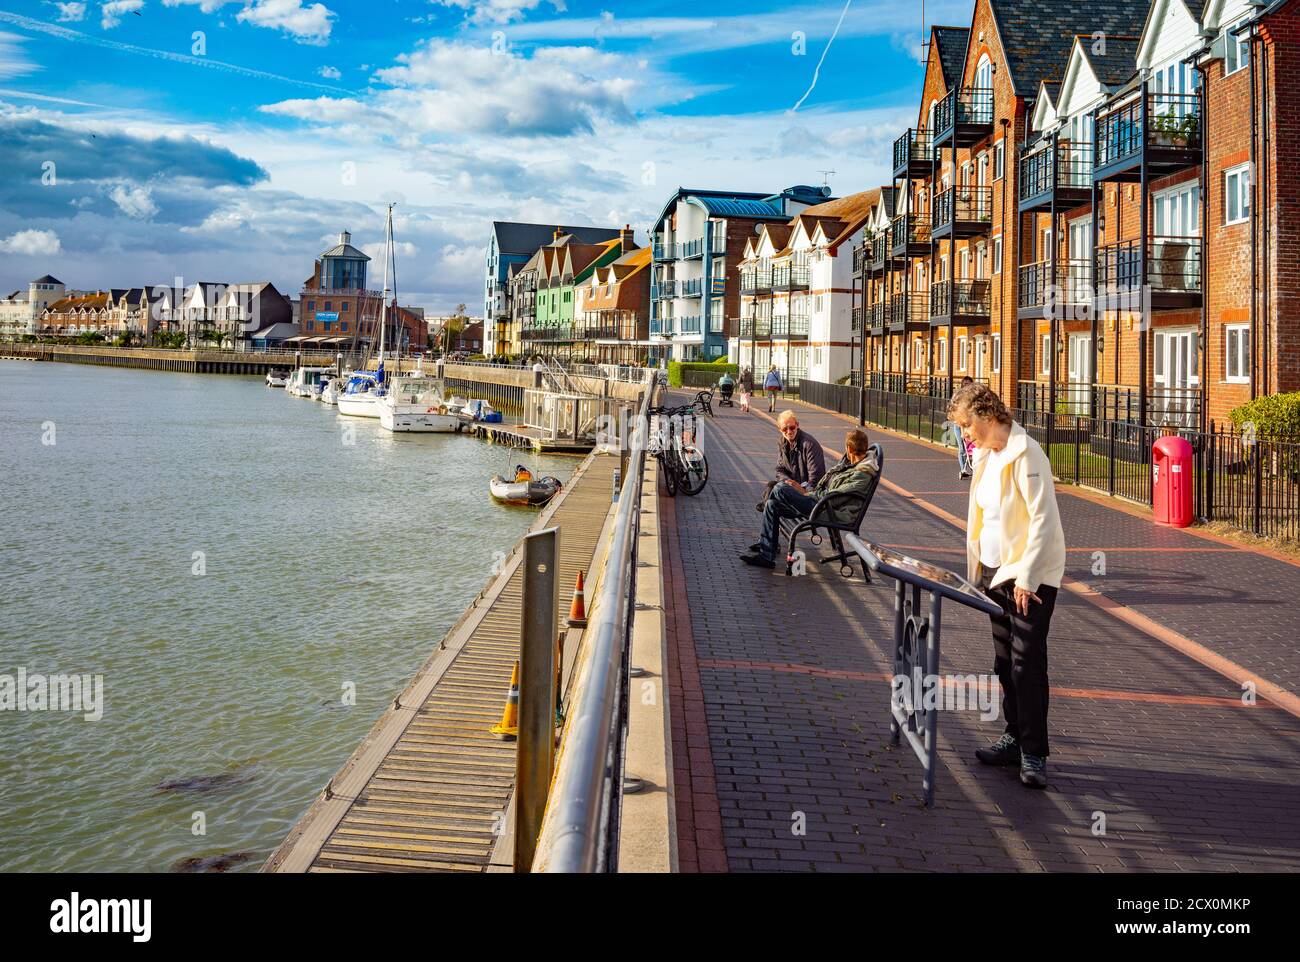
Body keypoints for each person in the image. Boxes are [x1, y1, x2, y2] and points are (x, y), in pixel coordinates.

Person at [947, 383, 1066, 789]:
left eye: (965, 425)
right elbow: (985, 518)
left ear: (986, 414)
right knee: (1004, 662)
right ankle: (1013, 738)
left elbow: (1043, 521)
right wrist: (978, 570)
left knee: (1026, 664)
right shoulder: (987, 456)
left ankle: (1034, 754)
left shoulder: (1026, 453)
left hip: (1029, 579)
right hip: (997, 576)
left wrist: (1028, 577)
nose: (964, 433)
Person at [740, 428, 880, 569]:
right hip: (820, 503)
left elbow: (834, 498)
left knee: (779, 488)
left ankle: (764, 506)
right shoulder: (849, 465)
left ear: (849, 448)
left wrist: (805, 493)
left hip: (828, 511)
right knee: (772, 504)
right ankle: (766, 556)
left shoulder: (862, 473)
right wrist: (806, 491)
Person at [756, 411, 826, 513]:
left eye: (792, 427)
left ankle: (766, 504)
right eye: (785, 429)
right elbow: (780, 469)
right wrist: (788, 481)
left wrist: (798, 488)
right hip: (793, 487)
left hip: (809, 496)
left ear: (797, 425)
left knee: (777, 490)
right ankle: (767, 506)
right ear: (780, 429)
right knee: (771, 494)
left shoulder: (809, 444)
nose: (789, 432)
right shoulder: (782, 442)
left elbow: (816, 480)